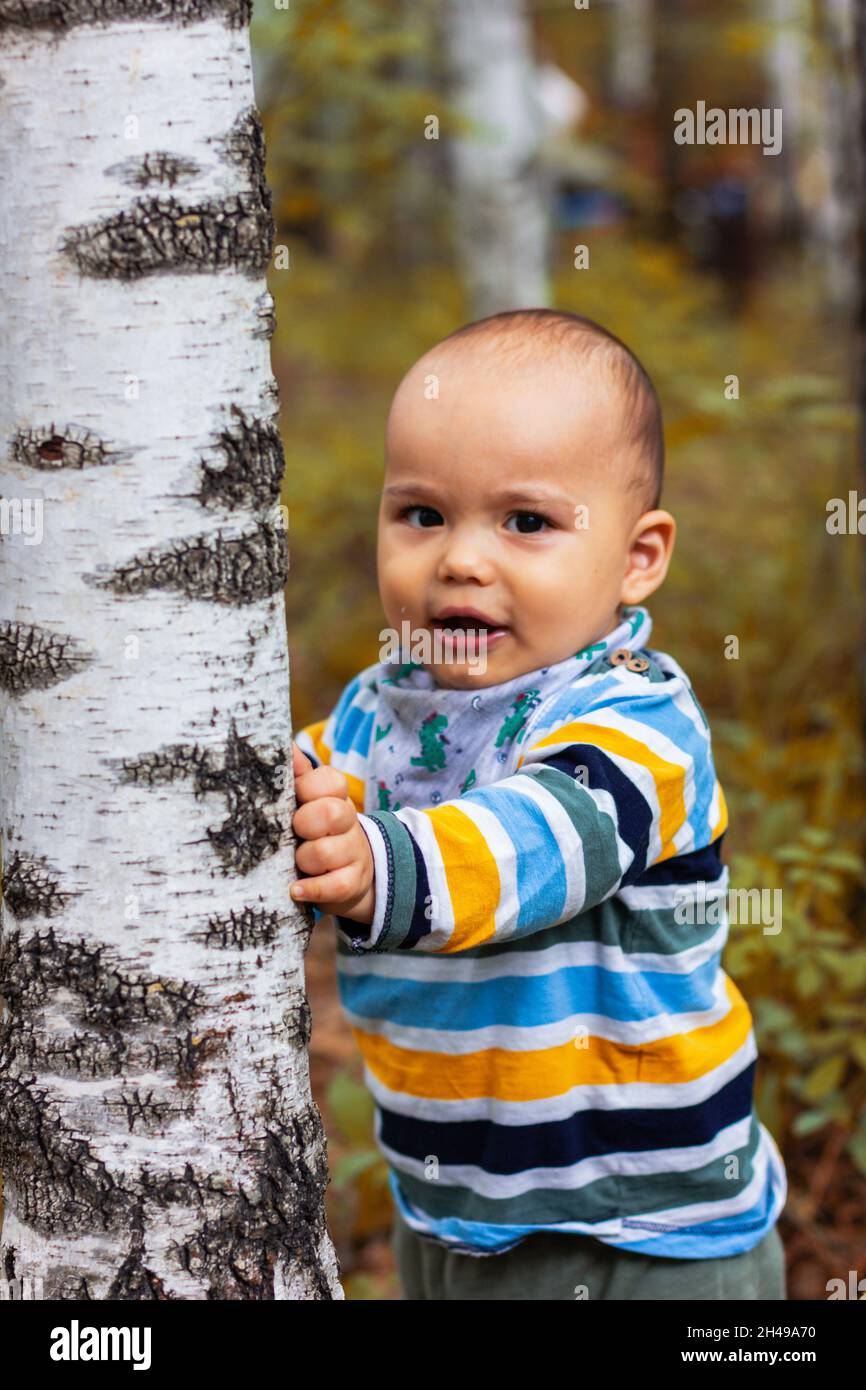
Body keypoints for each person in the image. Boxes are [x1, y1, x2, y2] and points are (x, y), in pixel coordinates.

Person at [290, 308, 787, 1300]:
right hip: (452, 1209)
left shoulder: (635, 720)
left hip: (640, 1230)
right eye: (421, 515)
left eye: (525, 522)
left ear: (637, 557)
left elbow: (544, 842)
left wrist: (371, 864)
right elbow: (312, 804)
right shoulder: (372, 713)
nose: (460, 559)